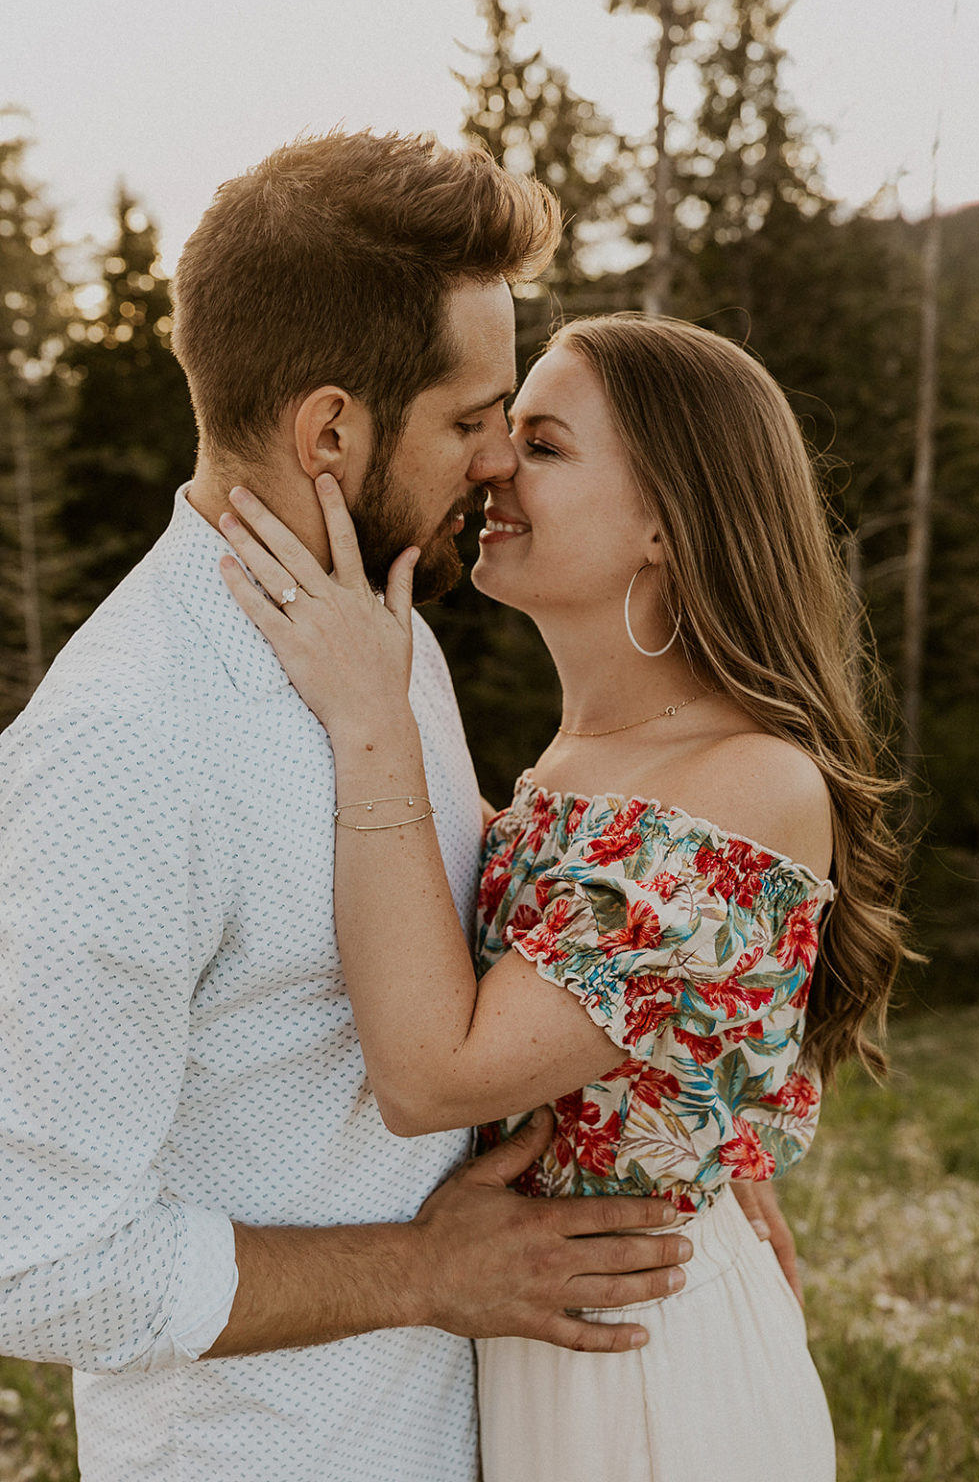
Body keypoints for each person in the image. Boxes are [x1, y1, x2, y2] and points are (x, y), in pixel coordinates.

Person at [0, 133, 713, 1482]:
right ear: (331, 430)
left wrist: (698, 1135)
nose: (501, 461)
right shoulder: (121, 749)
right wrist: (420, 1273)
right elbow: (32, 1262)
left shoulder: (381, 632)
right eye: (469, 418)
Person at [217, 312, 908, 1482]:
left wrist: (368, 719)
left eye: (541, 444)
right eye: (498, 433)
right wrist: (715, 1149)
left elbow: (434, 1075)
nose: (491, 465)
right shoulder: (576, 766)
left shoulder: (750, 779)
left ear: (663, 523)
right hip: (541, 1350)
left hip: (644, 1373)